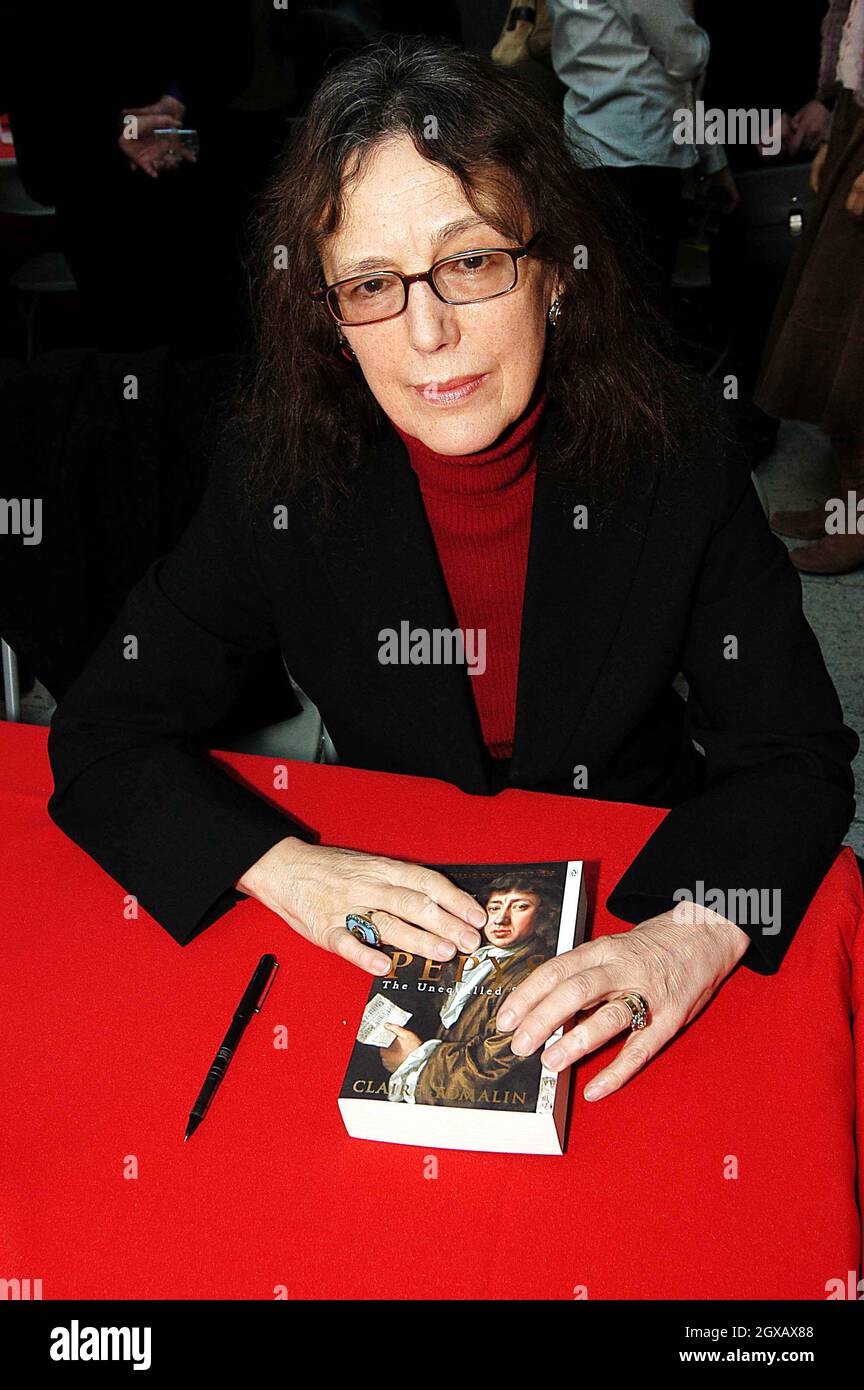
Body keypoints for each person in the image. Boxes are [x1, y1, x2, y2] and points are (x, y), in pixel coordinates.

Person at [47, 39, 858, 1104]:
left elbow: (797, 757)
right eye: (373, 284)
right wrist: (286, 869)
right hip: (392, 896)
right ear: (330, 321)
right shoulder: (279, 471)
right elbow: (104, 730)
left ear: (553, 273)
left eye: (471, 261)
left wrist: (689, 934)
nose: (429, 334)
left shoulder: (680, 453)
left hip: (637, 880)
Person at [756, 0, 864, 575]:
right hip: (855, 112)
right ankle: (850, 502)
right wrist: (831, 115)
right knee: (830, 314)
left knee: (853, 329)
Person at [545, 0, 738, 295]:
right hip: (643, 147)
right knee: (651, 299)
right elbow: (684, 53)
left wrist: (714, 160)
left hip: (588, 146)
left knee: (617, 297)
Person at [381, 876, 558, 1106]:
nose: (501, 919)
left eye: (520, 907)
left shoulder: (533, 975)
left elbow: (494, 1067)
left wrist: (412, 1060)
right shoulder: (477, 958)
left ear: (544, 915)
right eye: (494, 907)